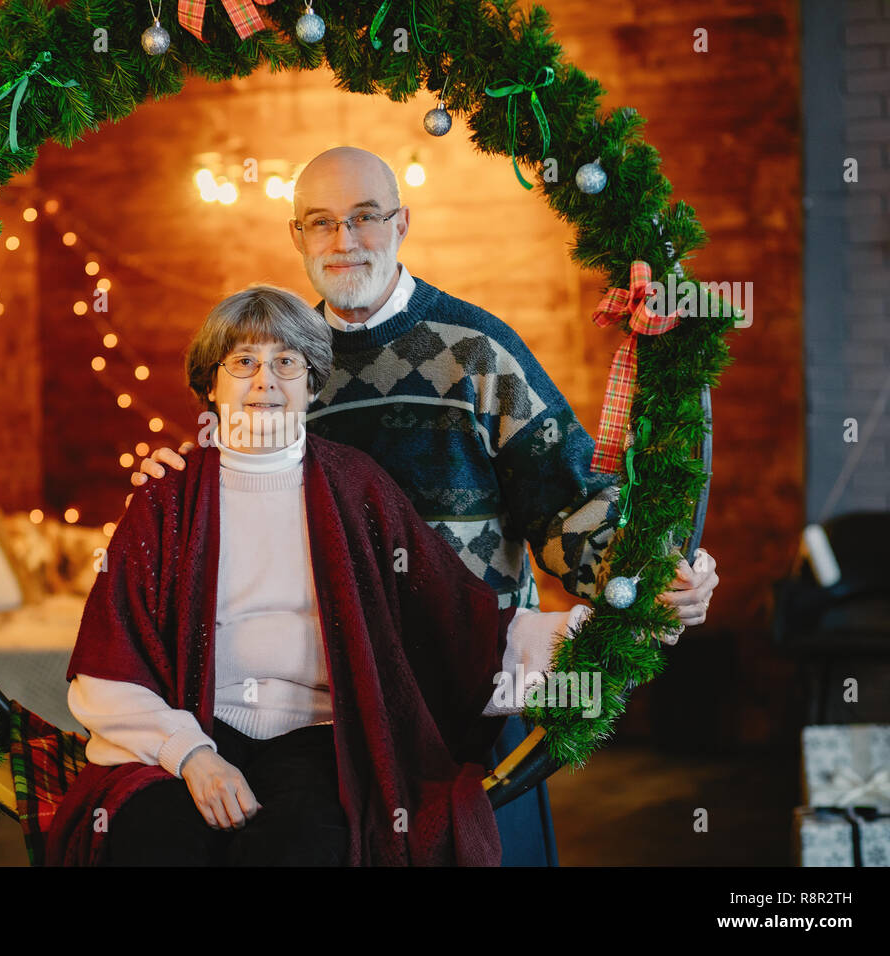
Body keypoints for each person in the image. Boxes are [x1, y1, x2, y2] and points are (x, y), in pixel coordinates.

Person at [129, 146, 721, 866]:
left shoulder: (476, 351)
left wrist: (652, 578)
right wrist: (172, 478)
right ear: (297, 238)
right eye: (321, 223)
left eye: (365, 218)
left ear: (402, 223)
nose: (345, 241)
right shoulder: (285, 367)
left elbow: (569, 506)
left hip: (475, 685)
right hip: (336, 706)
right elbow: (225, 489)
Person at [43, 285, 597, 867]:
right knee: (149, 841)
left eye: (288, 362)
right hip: (195, 725)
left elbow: (457, 620)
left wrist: (598, 638)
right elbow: (107, 666)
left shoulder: (356, 486)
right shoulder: (165, 500)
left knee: (302, 847)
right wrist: (190, 754)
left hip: (321, 740)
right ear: (210, 385)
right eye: (243, 362)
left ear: (312, 385)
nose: (265, 381)